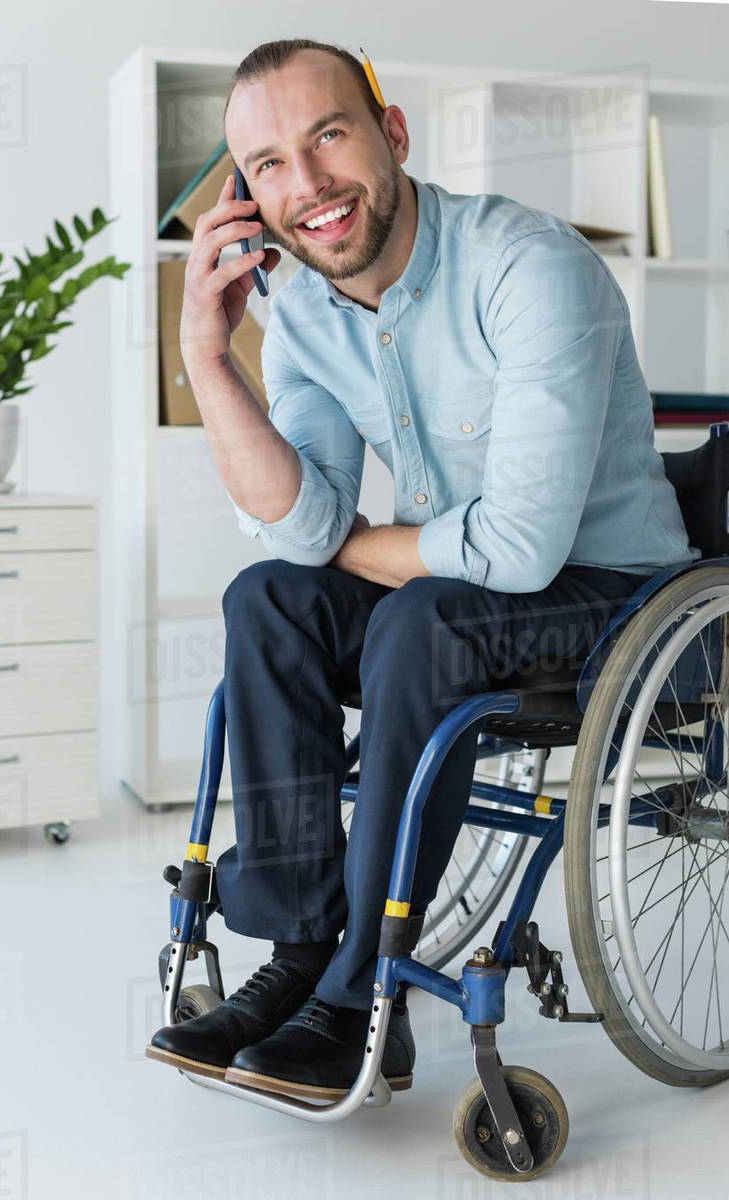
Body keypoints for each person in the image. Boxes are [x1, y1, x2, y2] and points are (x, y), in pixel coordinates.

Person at [148, 38, 698, 1100]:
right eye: (267, 165)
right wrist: (208, 357)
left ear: (391, 135)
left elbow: (518, 551)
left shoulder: (527, 266)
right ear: (247, 199)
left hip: (618, 599)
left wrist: (344, 543)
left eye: (329, 137)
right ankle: (305, 958)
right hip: (455, 593)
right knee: (268, 600)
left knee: (424, 620)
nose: (306, 186)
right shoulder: (302, 308)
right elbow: (296, 535)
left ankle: (366, 990)